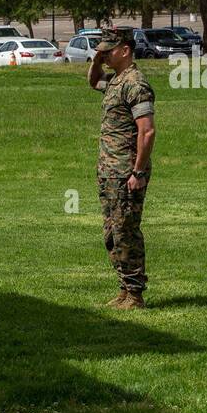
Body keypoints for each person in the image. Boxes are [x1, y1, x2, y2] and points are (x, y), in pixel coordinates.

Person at [87, 28, 156, 309]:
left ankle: (136, 294)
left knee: (126, 231)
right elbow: (93, 83)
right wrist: (95, 60)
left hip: (127, 172)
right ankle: (125, 290)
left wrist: (137, 172)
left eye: (109, 50)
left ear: (125, 50)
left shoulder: (135, 84)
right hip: (109, 171)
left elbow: (147, 132)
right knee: (112, 234)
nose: (104, 54)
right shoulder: (116, 80)